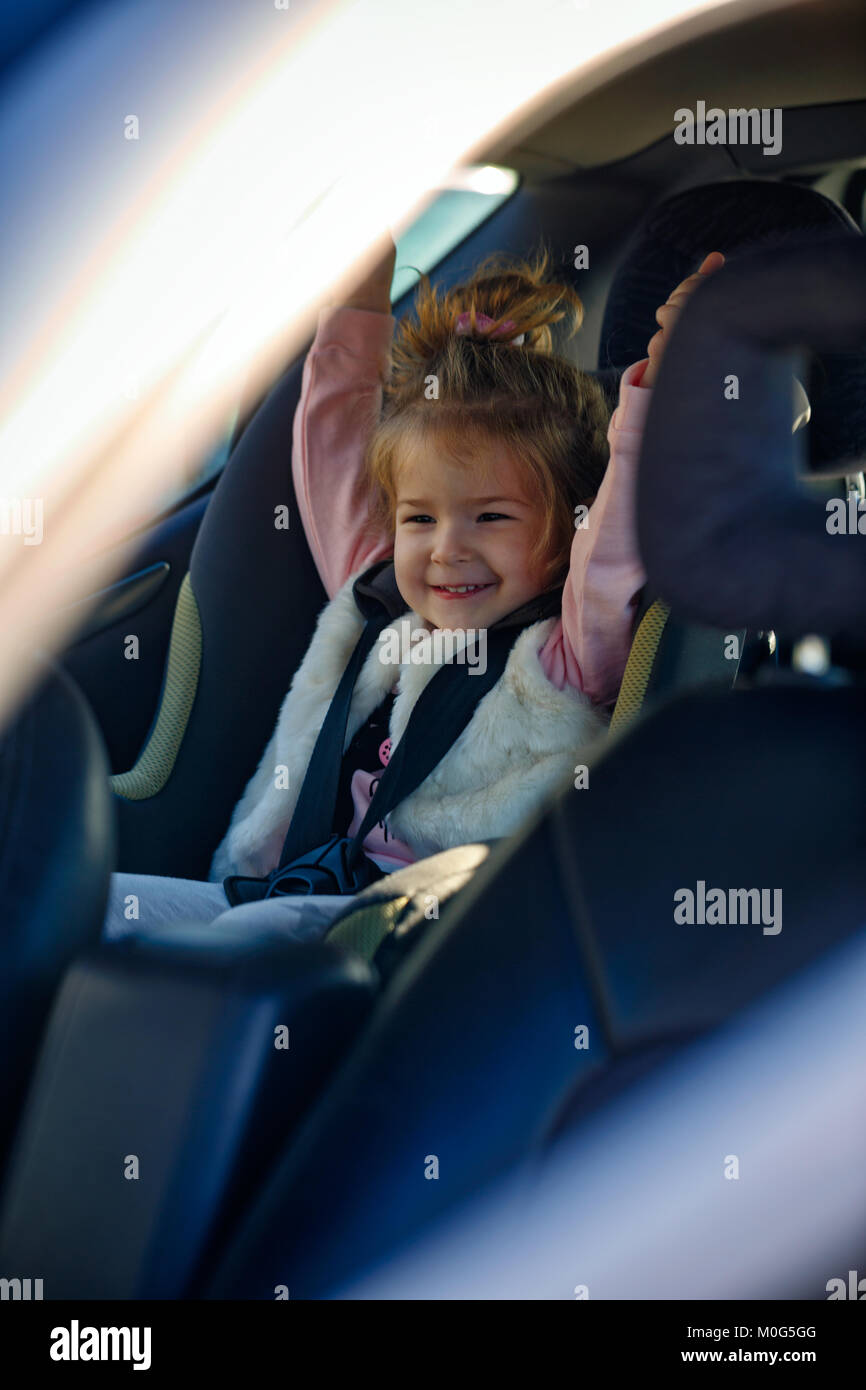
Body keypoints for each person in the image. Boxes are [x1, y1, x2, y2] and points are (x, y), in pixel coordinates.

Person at [102, 239, 724, 943]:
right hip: (274, 895)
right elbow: (333, 438)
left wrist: (670, 390)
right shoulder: (376, 603)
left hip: (420, 949)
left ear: (569, 527)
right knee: (87, 908)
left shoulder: (566, 657)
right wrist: (356, 293)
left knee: (213, 956)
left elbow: (619, 538)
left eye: (491, 517)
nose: (446, 548)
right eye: (419, 518)